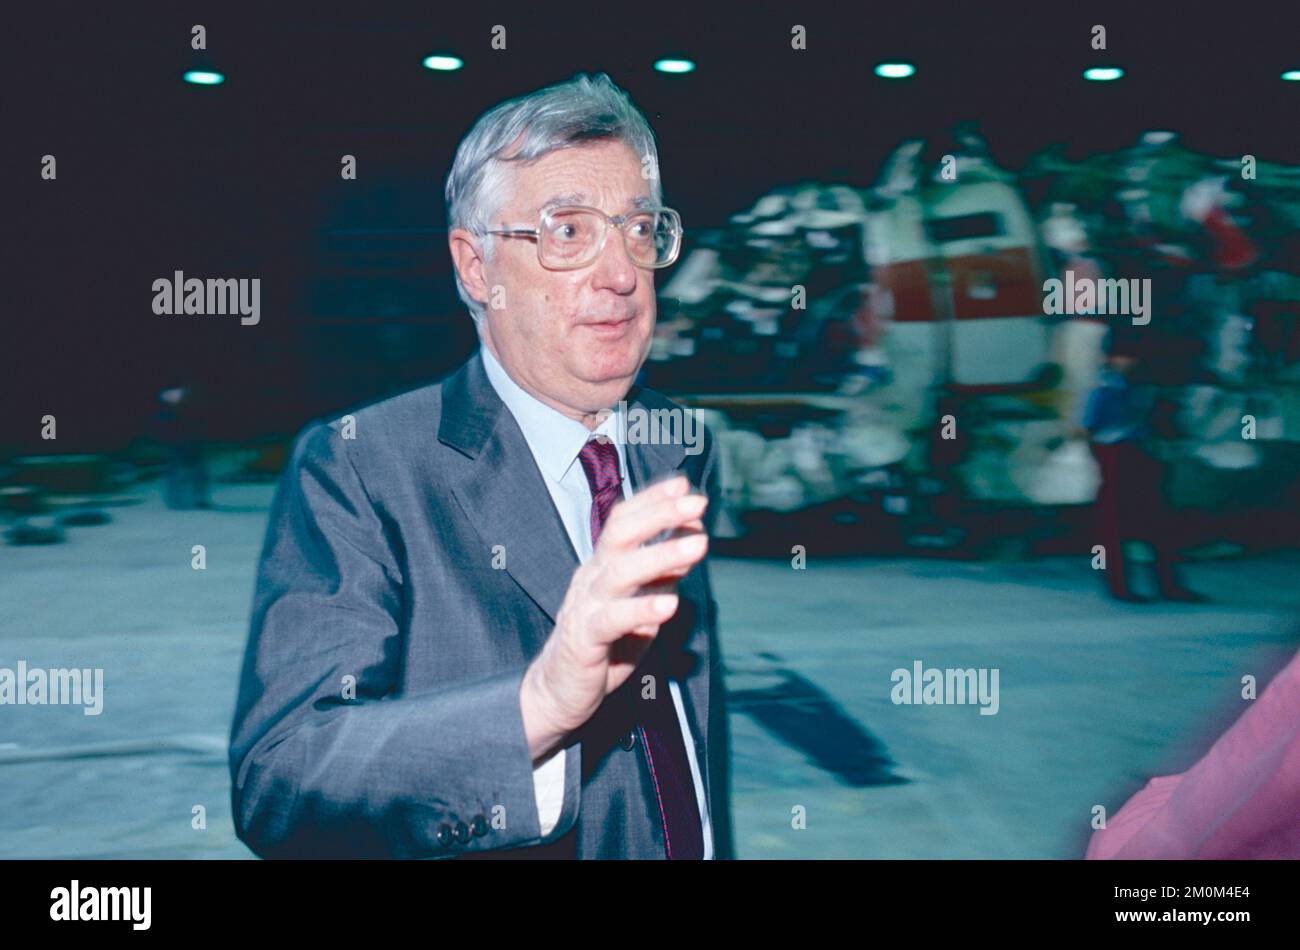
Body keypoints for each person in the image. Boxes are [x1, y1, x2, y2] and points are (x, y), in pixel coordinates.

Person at [228, 73, 734, 859]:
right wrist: (536, 706)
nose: (622, 274)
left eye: (639, 229)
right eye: (568, 232)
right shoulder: (362, 470)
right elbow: (280, 778)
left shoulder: (678, 446)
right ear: (477, 268)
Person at [1081, 333, 1204, 603]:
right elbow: (1089, 430)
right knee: (1115, 531)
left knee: (1157, 527)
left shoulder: (1142, 391)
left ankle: (1166, 584)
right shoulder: (1104, 390)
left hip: (1140, 460)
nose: (1127, 362)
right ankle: (1122, 586)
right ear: (1109, 358)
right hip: (1116, 461)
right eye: (1122, 356)